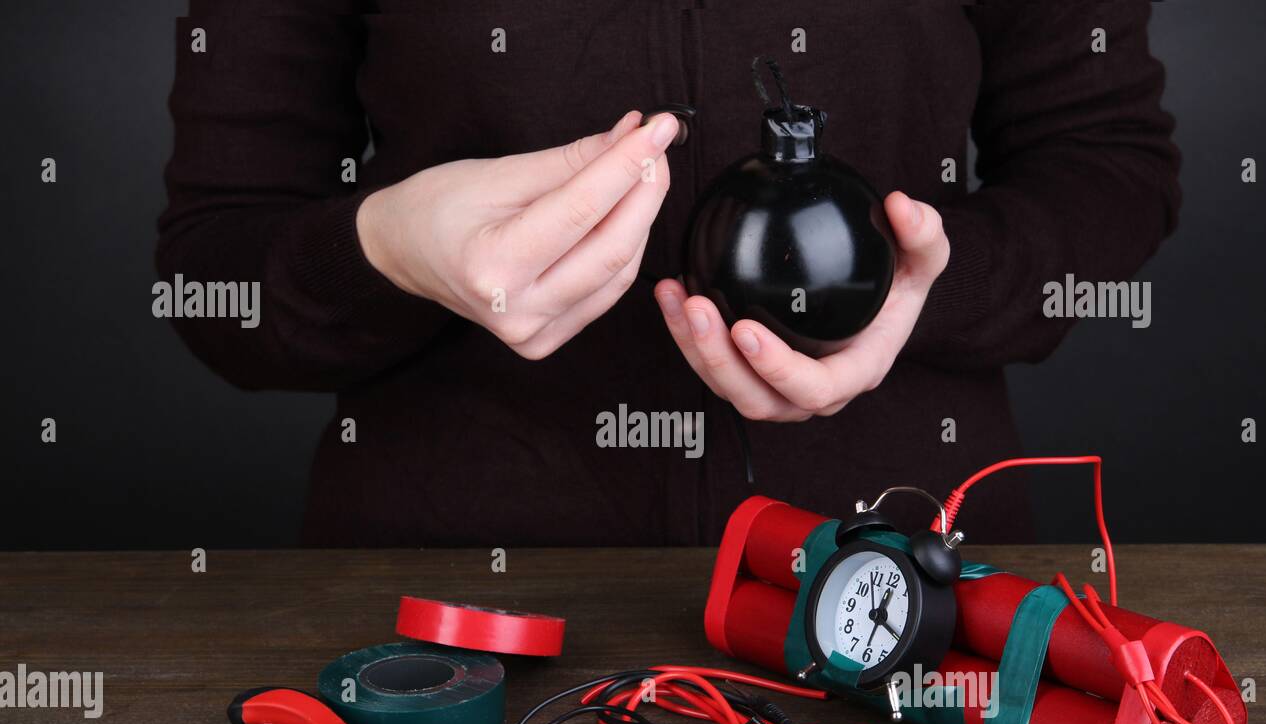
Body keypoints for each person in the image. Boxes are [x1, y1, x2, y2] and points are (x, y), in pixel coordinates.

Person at [158, 2, 1179, 547]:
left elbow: (1107, 159)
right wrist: (384, 248)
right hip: (453, 603)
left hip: (902, 577)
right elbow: (216, 271)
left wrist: (913, 288)